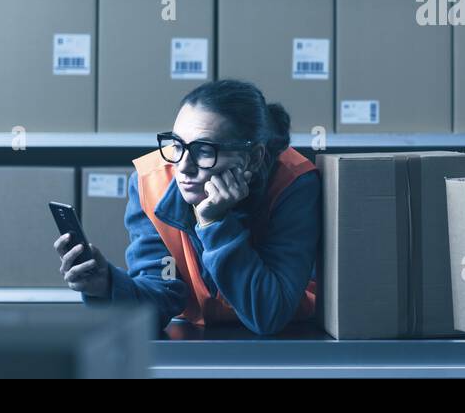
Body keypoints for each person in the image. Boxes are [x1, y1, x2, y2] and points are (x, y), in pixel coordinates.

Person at [54, 79, 321, 335]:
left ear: (253, 159)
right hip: (194, 336)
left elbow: (269, 313)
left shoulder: (294, 184)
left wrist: (215, 224)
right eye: (177, 145)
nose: (183, 167)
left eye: (204, 150)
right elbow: (161, 290)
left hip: (290, 341)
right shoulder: (152, 184)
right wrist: (107, 285)